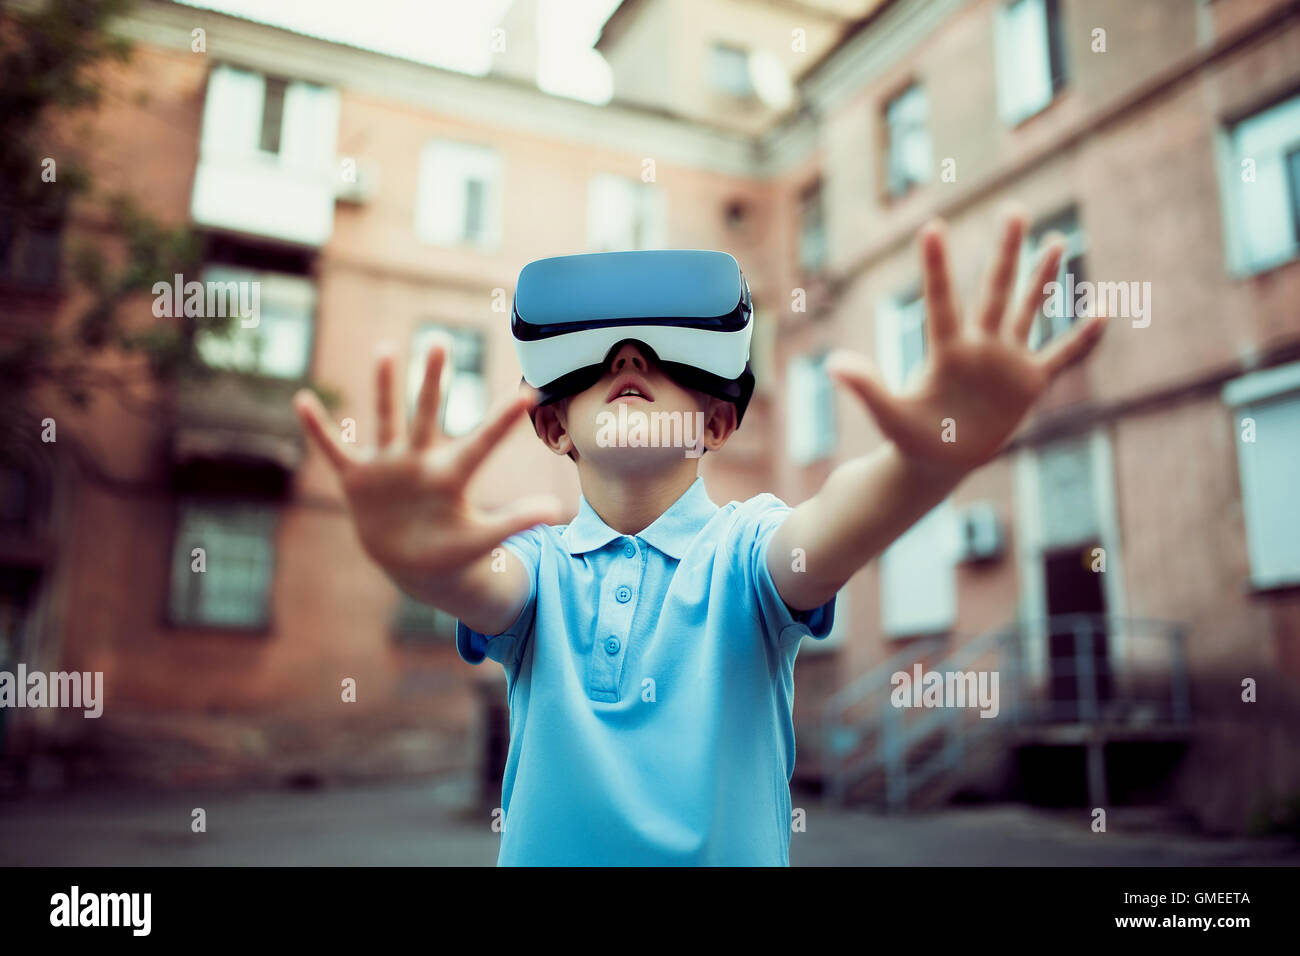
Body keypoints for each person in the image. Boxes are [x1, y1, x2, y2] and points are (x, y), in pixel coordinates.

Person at [292, 211, 1107, 865]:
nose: (630, 357)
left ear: (717, 420)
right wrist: (411, 557)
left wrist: (925, 464)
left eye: (662, 356)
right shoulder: (536, 568)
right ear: (551, 426)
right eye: (597, 358)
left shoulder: (748, 555)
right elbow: (476, 581)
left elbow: (829, 527)